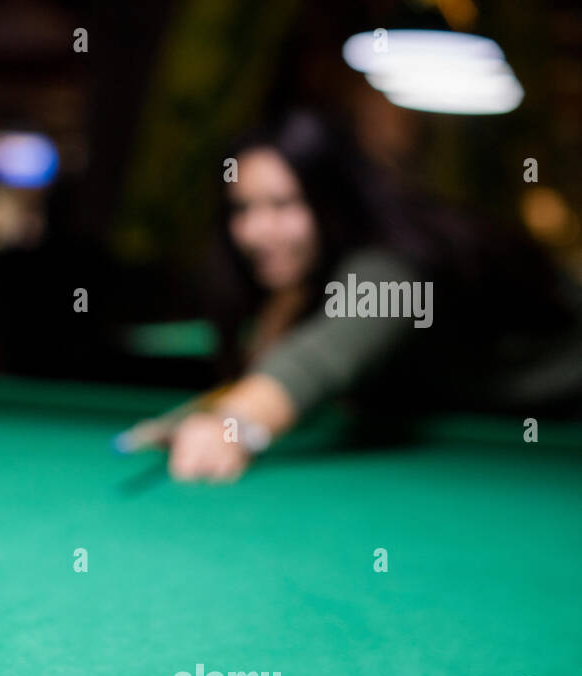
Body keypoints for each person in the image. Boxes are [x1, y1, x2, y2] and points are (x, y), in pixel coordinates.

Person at [165, 110, 582, 482]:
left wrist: (231, 424)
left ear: (332, 201)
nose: (257, 231)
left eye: (283, 204)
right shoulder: (310, 274)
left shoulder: (392, 266)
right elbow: (274, 362)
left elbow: (319, 360)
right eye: (242, 208)